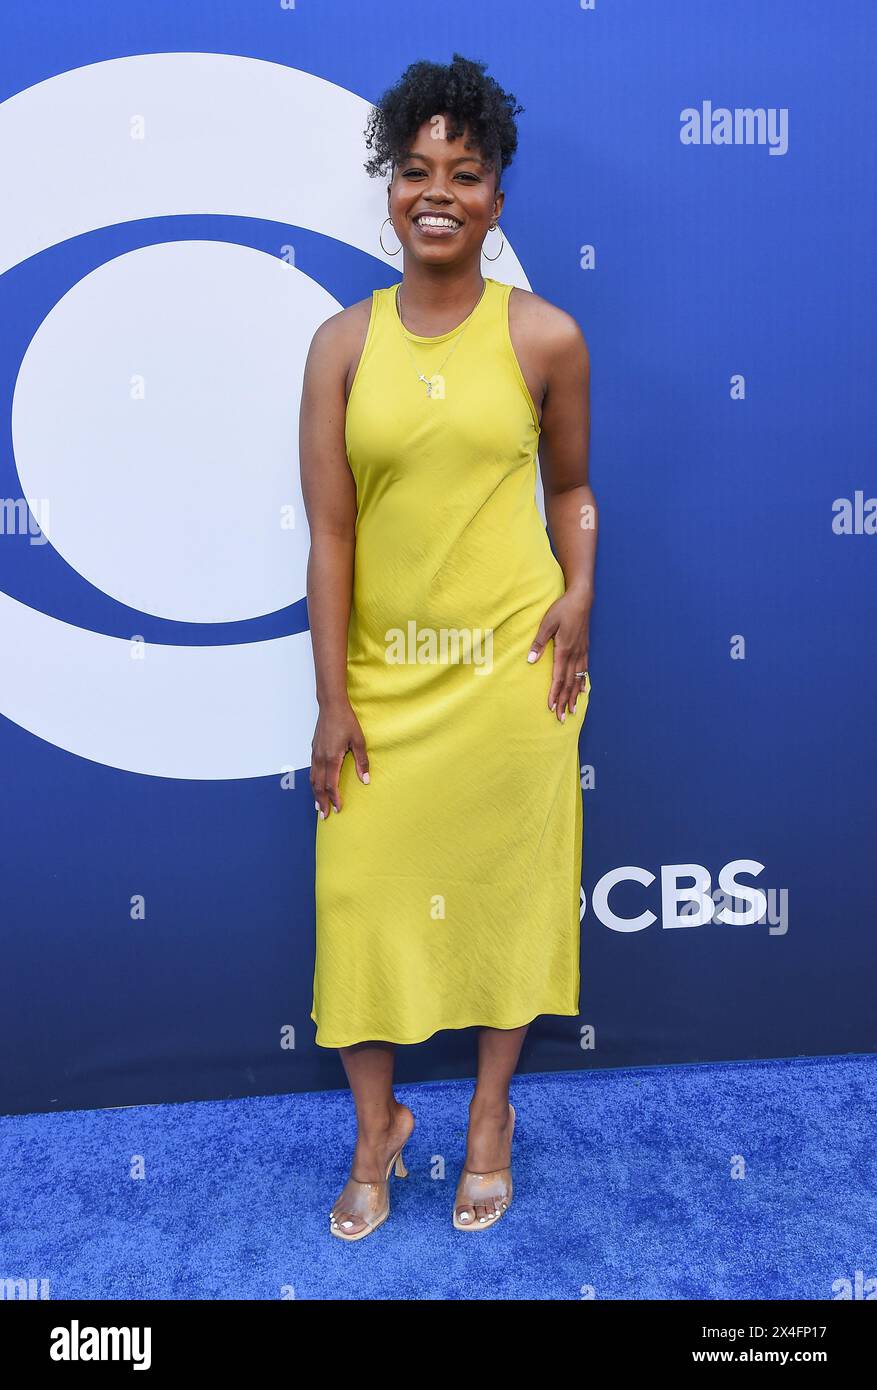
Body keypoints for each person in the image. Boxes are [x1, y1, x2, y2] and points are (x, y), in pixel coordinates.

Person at [299, 53, 597, 1239]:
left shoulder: (547, 338)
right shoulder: (338, 347)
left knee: (503, 895)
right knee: (361, 899)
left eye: (463, 174)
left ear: (494, 200)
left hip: (512, 676)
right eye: (416, 171)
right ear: (389, 190)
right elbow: (330, 537)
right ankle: (379, 1129)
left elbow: (572, 485)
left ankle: (487, 1115)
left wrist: (583, 587)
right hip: (382, 684)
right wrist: (333, 698)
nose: (438, 191)